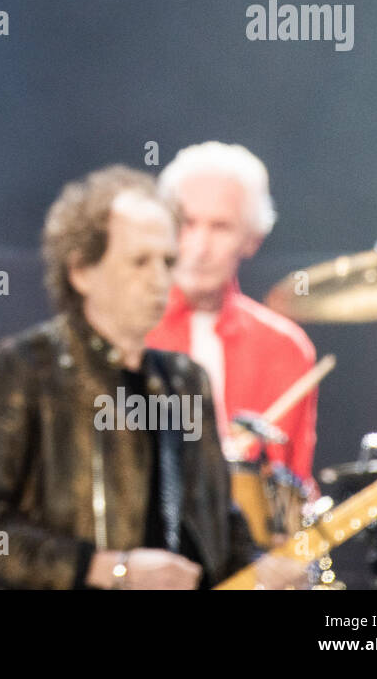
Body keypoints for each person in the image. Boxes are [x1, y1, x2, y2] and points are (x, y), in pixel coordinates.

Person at [0, 165, 292, 589]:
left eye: (168, 261)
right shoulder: (24, 367)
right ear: (81, 271)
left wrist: (258, 570)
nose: (160, 280)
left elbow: (219, 519)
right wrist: (109, 569)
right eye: (139, 262)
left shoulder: (186, 380)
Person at [144, 142, 318, 497]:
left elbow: (294, 490)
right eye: (187, 223)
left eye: (220, 227)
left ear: (252, 239)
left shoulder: (286, 349)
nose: (199, 246)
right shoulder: (125, 333)